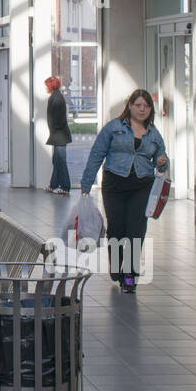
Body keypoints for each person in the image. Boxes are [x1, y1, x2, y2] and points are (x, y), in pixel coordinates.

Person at [79, 89, 168, 293]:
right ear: (129, 106)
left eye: (146, 106)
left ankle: (130, 277)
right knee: (117, 229)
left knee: (135, 231)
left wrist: (162, 162)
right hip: (115, 185)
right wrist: (86, 184)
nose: (142, 109)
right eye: (138, 105)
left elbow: (161, 160)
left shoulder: (153, 134)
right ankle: (116, 265)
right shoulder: (114, 128)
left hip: (142, 186)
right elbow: (96, 155)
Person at [43, 76, 72, 195]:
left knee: (61, 161)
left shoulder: (57, 98)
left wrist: (54, 130)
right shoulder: (55, 97)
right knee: (57, 161)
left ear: (51, 86)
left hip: (59, 135)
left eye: (46, 85)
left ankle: (65, 186)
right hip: (58, 135)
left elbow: (58, 119)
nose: (45, 87)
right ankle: (53, 184)